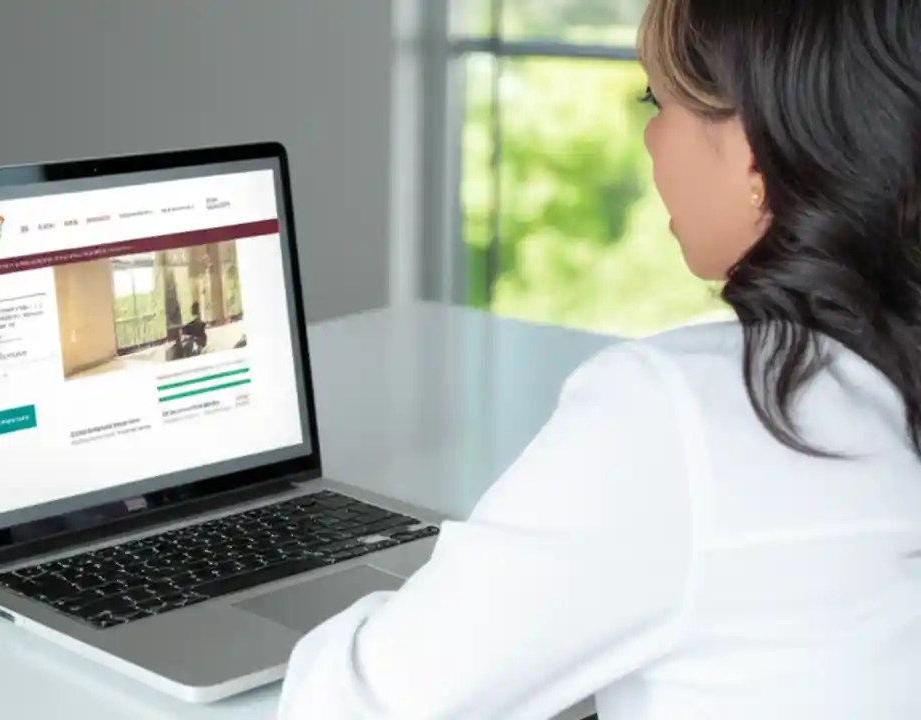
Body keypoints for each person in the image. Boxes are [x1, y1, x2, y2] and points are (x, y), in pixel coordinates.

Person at [278, 1, 921, 718]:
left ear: (750, 148)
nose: (650, 138)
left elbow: (354, 706)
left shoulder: (691, 412)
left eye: (659, 99)